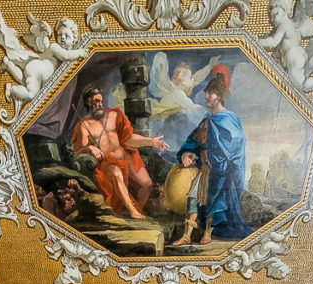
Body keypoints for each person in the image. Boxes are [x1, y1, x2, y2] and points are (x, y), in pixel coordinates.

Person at [171, 66, 250, 246]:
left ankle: (208, 232)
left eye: (211, 93)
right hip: (204, 167)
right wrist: (188, 153)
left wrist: (219, 158)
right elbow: (195, 140)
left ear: (219, 97)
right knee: (193, 198)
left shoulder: (228, 118)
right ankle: (186, 235)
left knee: (212, 200)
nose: (207, 96)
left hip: (220, 170)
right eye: (206, 92)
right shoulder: (207, 119)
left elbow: (237, 142)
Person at [71, 84, 168, 220]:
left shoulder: (114, 115)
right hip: (107, 162)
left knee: (147, 184)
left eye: (101, 101)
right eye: (96, 102)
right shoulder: (84, 126)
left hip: (126, 156)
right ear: (88, 102)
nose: (100, 105)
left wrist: (152, 141)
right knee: (116, 174)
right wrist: (89, 148)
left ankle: (136, 208)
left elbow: (129, 139)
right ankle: (132, 210)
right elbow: (77, 153)